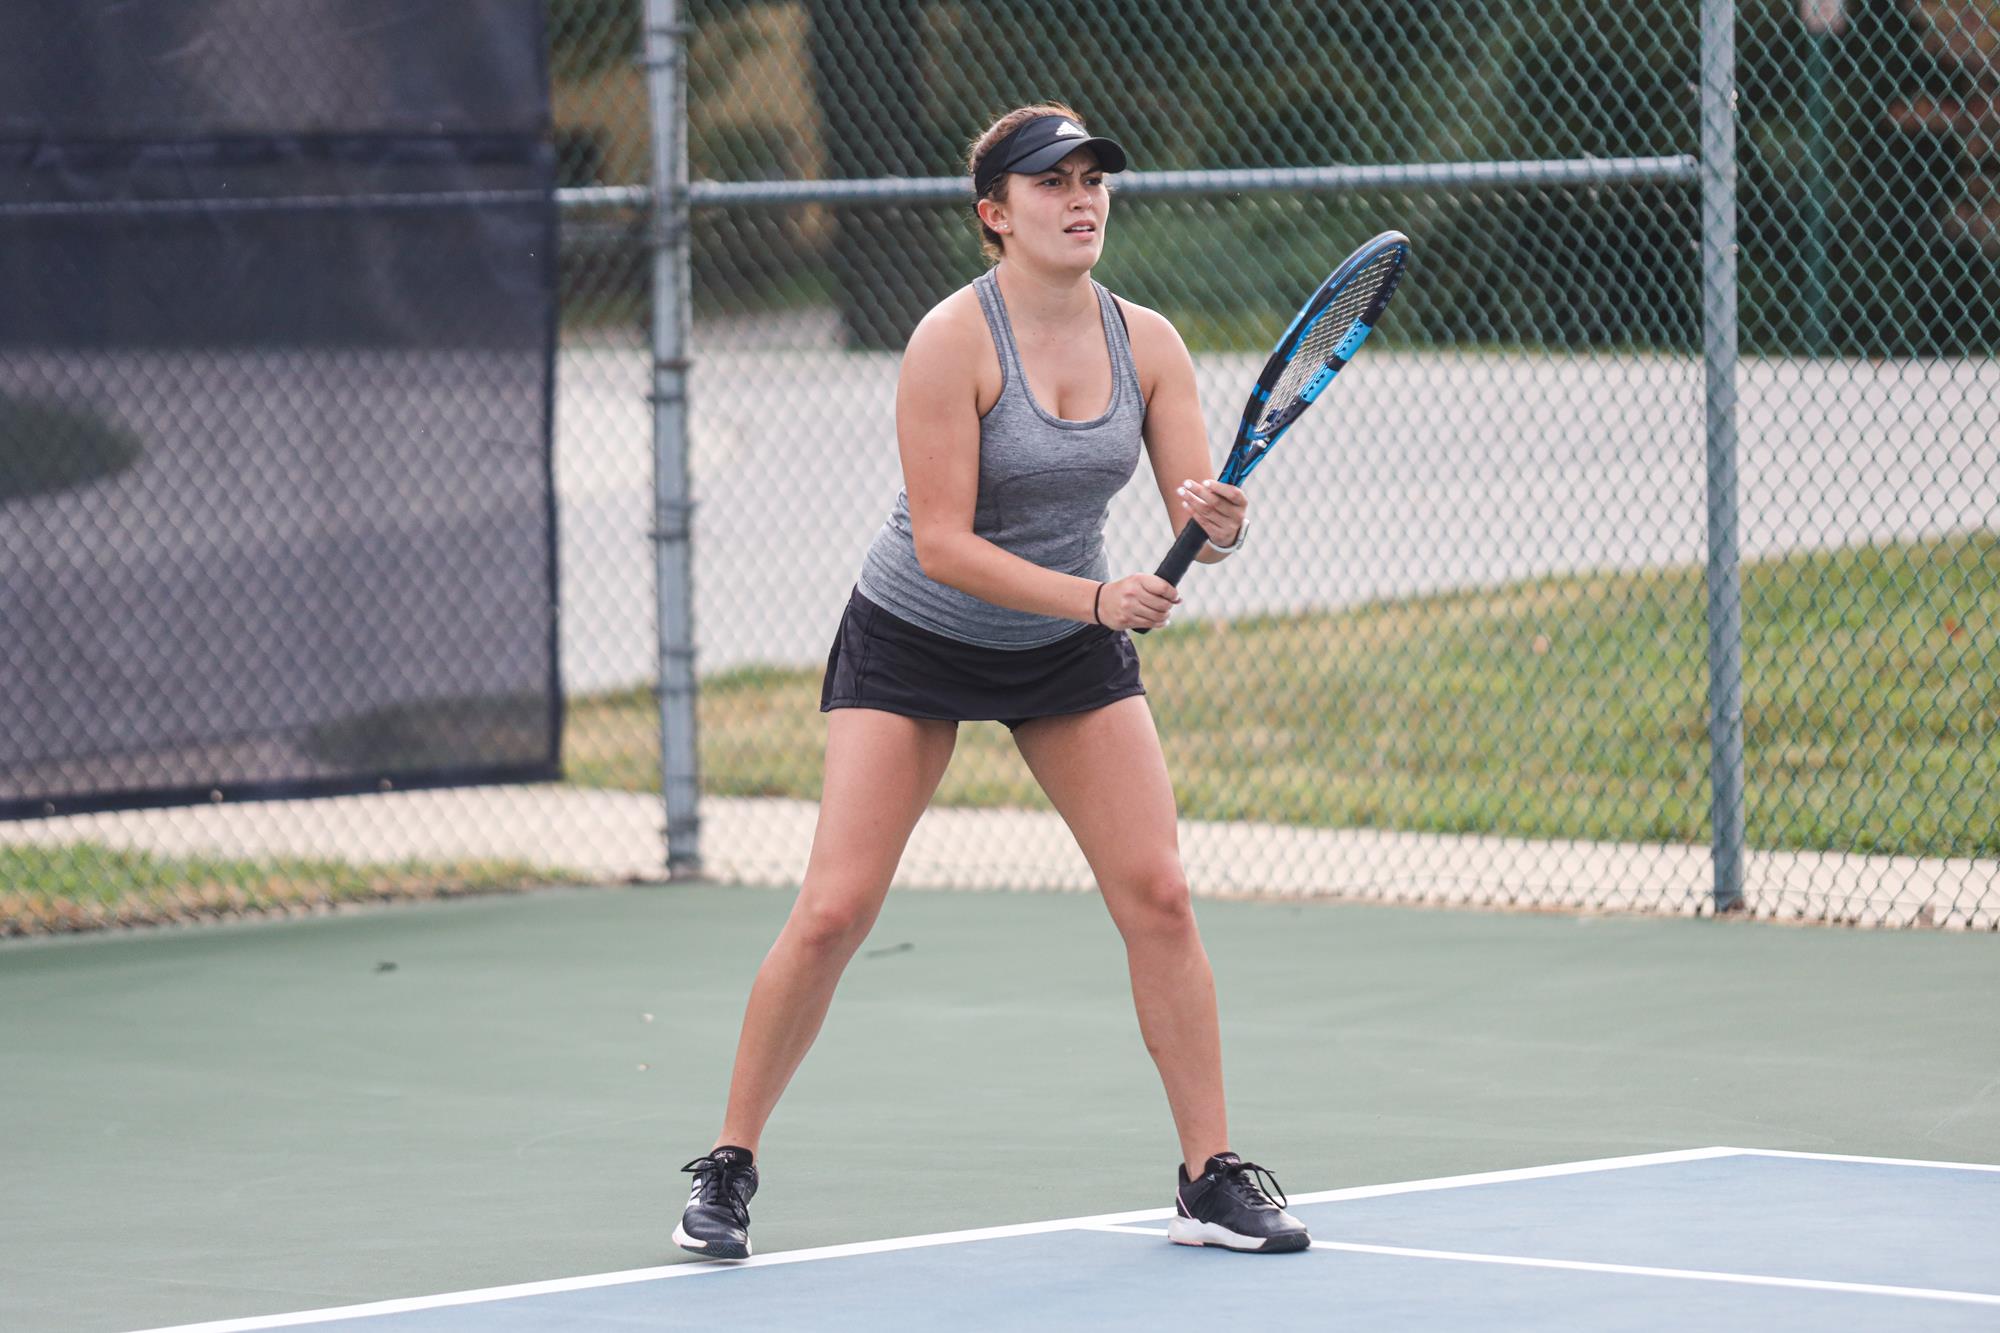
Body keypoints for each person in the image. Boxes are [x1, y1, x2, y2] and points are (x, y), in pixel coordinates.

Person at [674, 102, 1309, 1261]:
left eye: (1092, 180)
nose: (1080, 199)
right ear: (993, 215)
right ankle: (727, 1165)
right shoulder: (948, 341)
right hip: (918, 634)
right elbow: (943, 546)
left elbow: (1196, 521)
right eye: (1050, 183)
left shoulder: (1149, 343)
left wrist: (1218, 525)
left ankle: (1208, 1175)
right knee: (832, 910)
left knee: (1158, 894)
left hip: (1064, 648)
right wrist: (1097, 598)